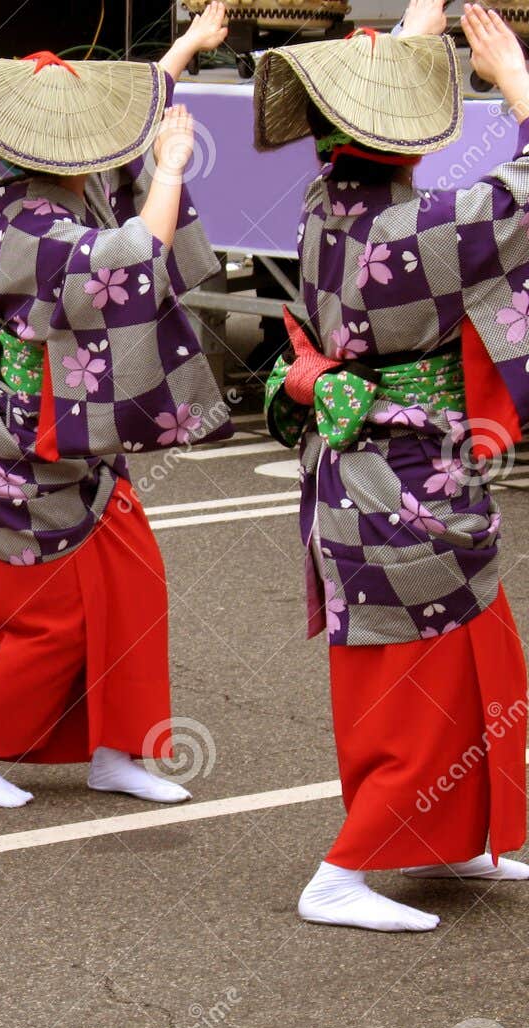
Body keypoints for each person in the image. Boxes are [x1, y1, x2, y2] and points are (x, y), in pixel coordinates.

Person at [255, 2, 529, 931]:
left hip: (374, 467)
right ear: (406, 138)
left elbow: (377, 123)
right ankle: (343, 871)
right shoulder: (422, 228)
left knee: (467, 650)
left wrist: (416, 28)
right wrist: (517, 86)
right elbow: (522, 195)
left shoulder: (325, 201)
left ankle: (461, 835)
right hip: (399, 474)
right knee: (410, 675)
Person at [0, 5, 233, 811]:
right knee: (51, 617)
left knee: (135, 583)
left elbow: (133, 121)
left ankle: (113, 746)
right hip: (22, 440)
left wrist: (188, 48)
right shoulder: (35, 223)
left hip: (73, 432)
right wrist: (171, 166)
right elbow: (134, 261)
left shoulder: (60, 188)